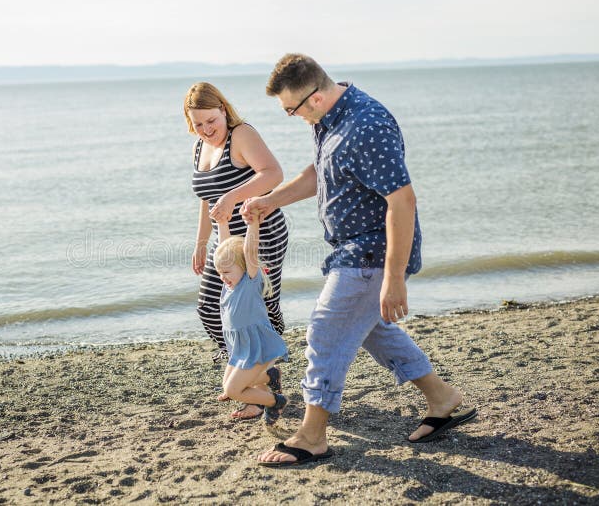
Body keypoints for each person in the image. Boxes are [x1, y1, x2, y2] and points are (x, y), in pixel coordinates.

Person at [242, 54, 476, 467]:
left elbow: (402, 201)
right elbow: (321, 172)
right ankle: (443, 399)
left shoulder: (366, 125)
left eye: (291, 110)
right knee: (372, 331)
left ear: (313, 98)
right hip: (350, 249)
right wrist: (269, 201)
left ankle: (312, 436)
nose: (293, 117)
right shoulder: (329, 118)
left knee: (326, 332)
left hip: (371, 252)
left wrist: (394, 277)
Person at [185, 82, 290, 410]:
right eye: (198, 124)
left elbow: (273, 174)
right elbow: (207, 200)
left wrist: (232, 197)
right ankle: (251, 376)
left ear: (223, 110)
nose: (206, 129)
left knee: (263, 305)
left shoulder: (241, 134)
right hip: (224, 237)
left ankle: (259, 379)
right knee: (209, 309)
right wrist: (201, 243)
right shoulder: (199, 147)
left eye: (211, 121)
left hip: (260, 231)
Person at [212, 209, 288, 425]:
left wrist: (253, 224)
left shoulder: (249, 280)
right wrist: (222, 222)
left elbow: (249, 250)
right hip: (240, 347)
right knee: (229, 385)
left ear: (244, 266)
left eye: (226, 272)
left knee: (233, 389)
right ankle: (271, 377)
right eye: (220, 273)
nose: (223, 277)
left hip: (257, 346)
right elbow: (224, 249)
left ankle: (275, 402)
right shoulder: (230, 283)